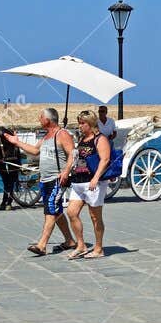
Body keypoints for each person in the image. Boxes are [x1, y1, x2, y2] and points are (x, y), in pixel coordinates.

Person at [5, 108, 76, 256]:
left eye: (41, 117)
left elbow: (73, 154)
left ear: (48, 120)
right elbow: (35, 151)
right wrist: (17, 143)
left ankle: (42, 245)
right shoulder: (46, 137)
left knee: (50, 211)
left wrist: (66, 171)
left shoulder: (62, 134)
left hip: (57, 179)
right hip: (45, 180)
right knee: (55, 210)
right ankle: (69, 240)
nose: (39, 119)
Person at [63, 110, 111, 259]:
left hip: (92, 182)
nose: (80, 126)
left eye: (82, 123)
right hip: (78, 182)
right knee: (71, 212)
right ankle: (81, 245)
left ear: (90, 124)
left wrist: (96, 178)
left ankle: (98, 248)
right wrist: (66, 171)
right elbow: (74, 156)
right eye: (79, 123)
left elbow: (105, 159)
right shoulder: (82, 139)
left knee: (95, 216)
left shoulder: (100, 139)